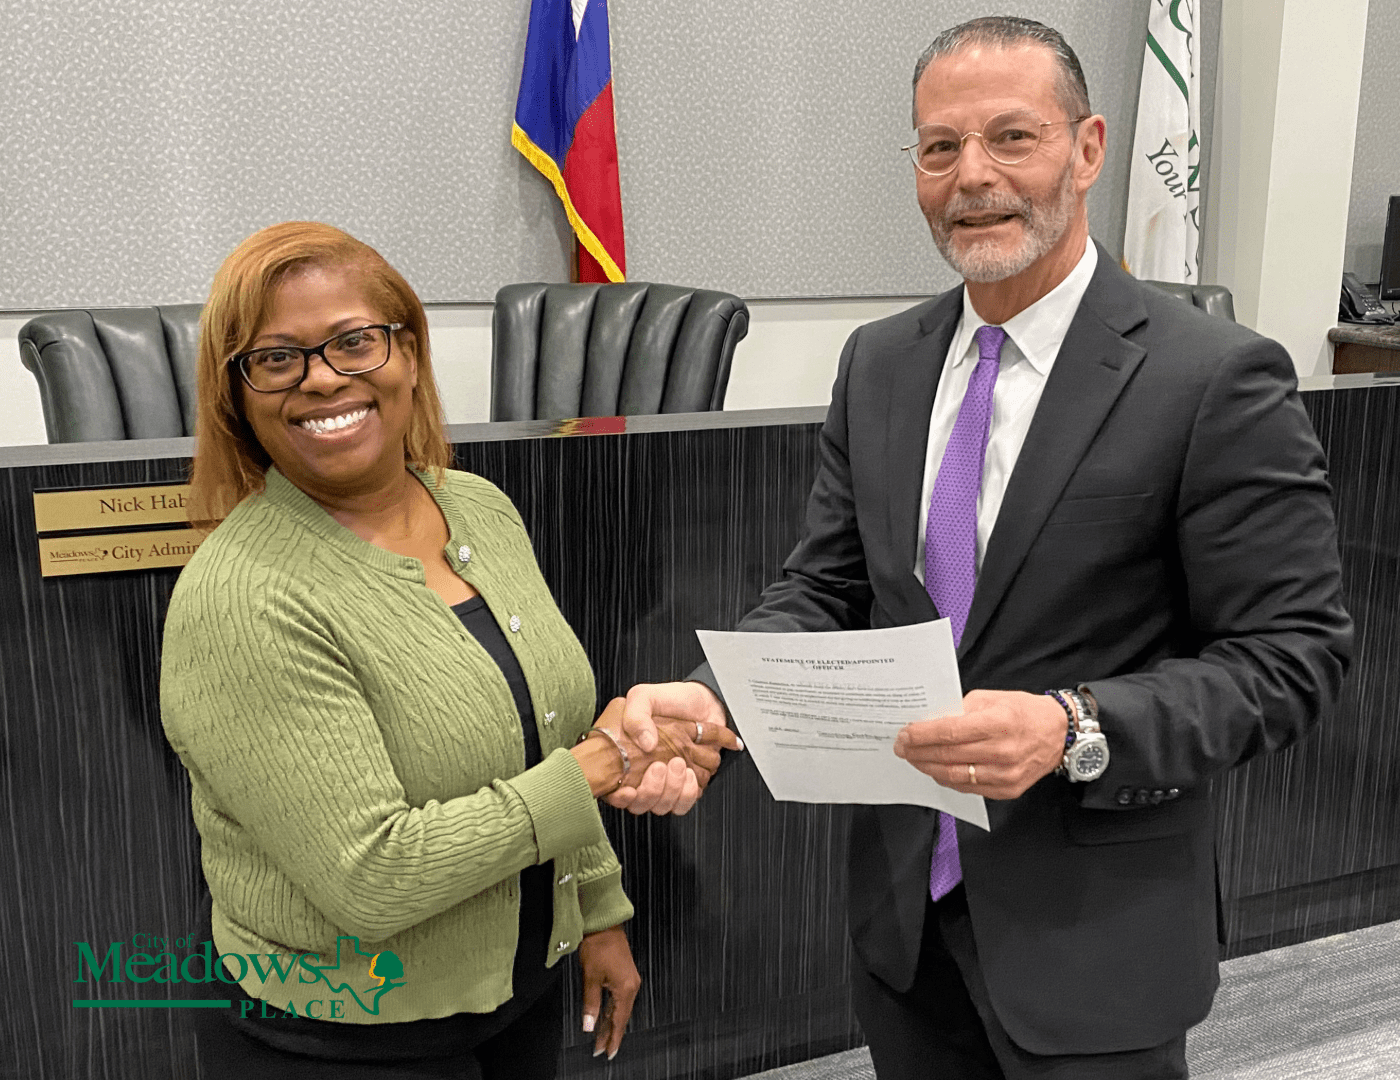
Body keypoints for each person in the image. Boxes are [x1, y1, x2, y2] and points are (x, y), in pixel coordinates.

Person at [621, 15, 1352, 1079]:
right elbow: (824, 587)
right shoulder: (879, 363)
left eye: (1012, 137)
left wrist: (1073, 727)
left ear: (1088, 146)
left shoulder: (1211, 378)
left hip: (1091, 930)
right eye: (938, 147)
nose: (971, 177)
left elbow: (1292, 658)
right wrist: (716, 693)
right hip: (902, 920)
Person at [160, 221, 737, 1078]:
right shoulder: (242, 599)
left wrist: (597, 914)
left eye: (355, 341)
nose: (323, 379)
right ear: (237, 394)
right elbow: (372, 877)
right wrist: (599, 766)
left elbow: (550, 731)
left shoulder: (476, 507)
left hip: (517, 994)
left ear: (409, 352)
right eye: (277, 358)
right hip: (343, 1036)